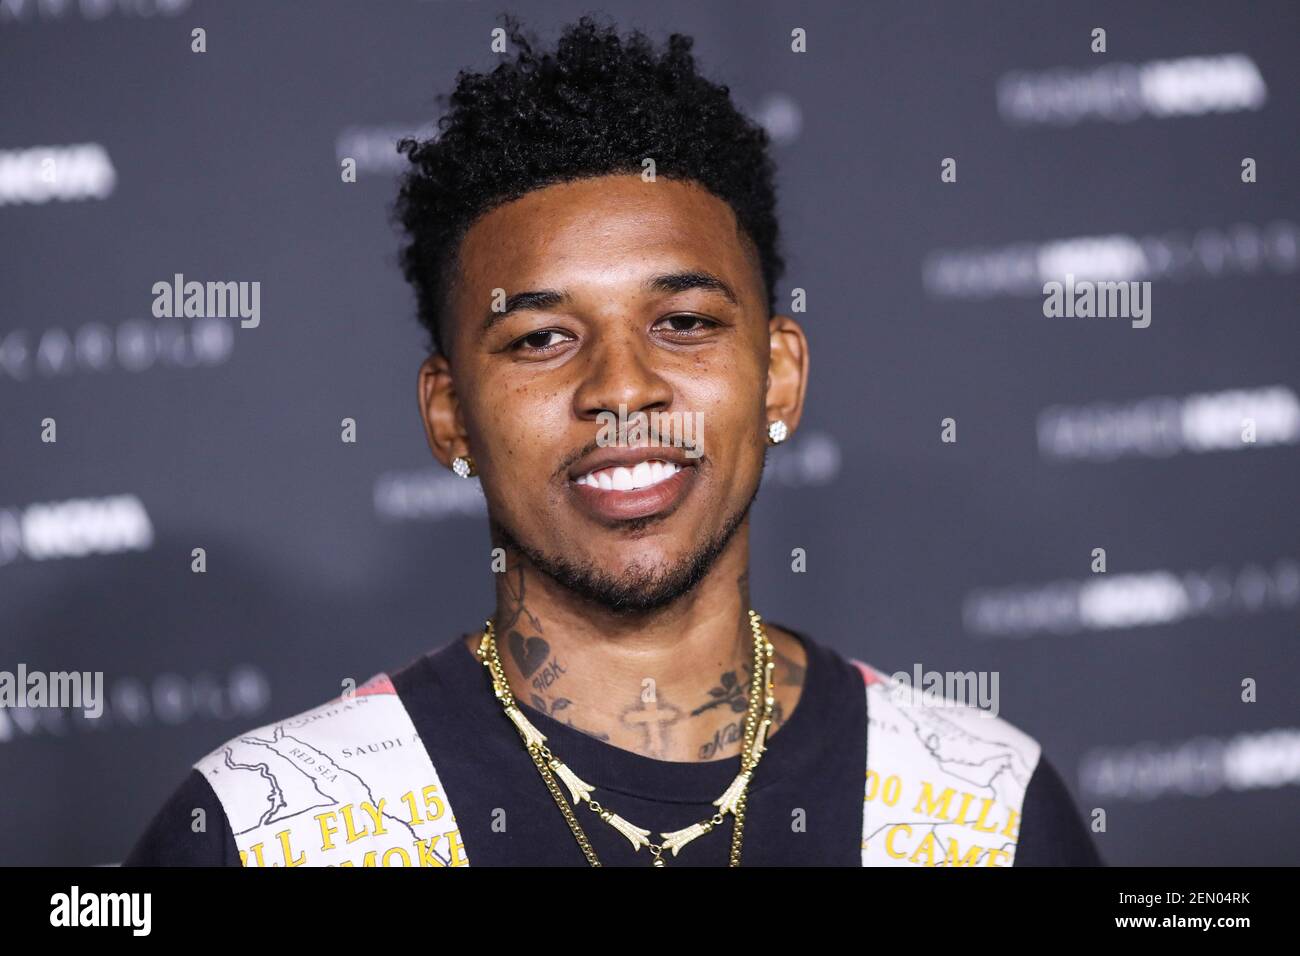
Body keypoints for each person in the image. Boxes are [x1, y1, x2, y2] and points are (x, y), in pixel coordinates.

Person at [124, 14, 1102, 868]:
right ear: (449, 415)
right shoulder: (271, 828)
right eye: (541, 338)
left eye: (682, 321)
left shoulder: (984, 813)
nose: (621, 386)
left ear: (782, 375)